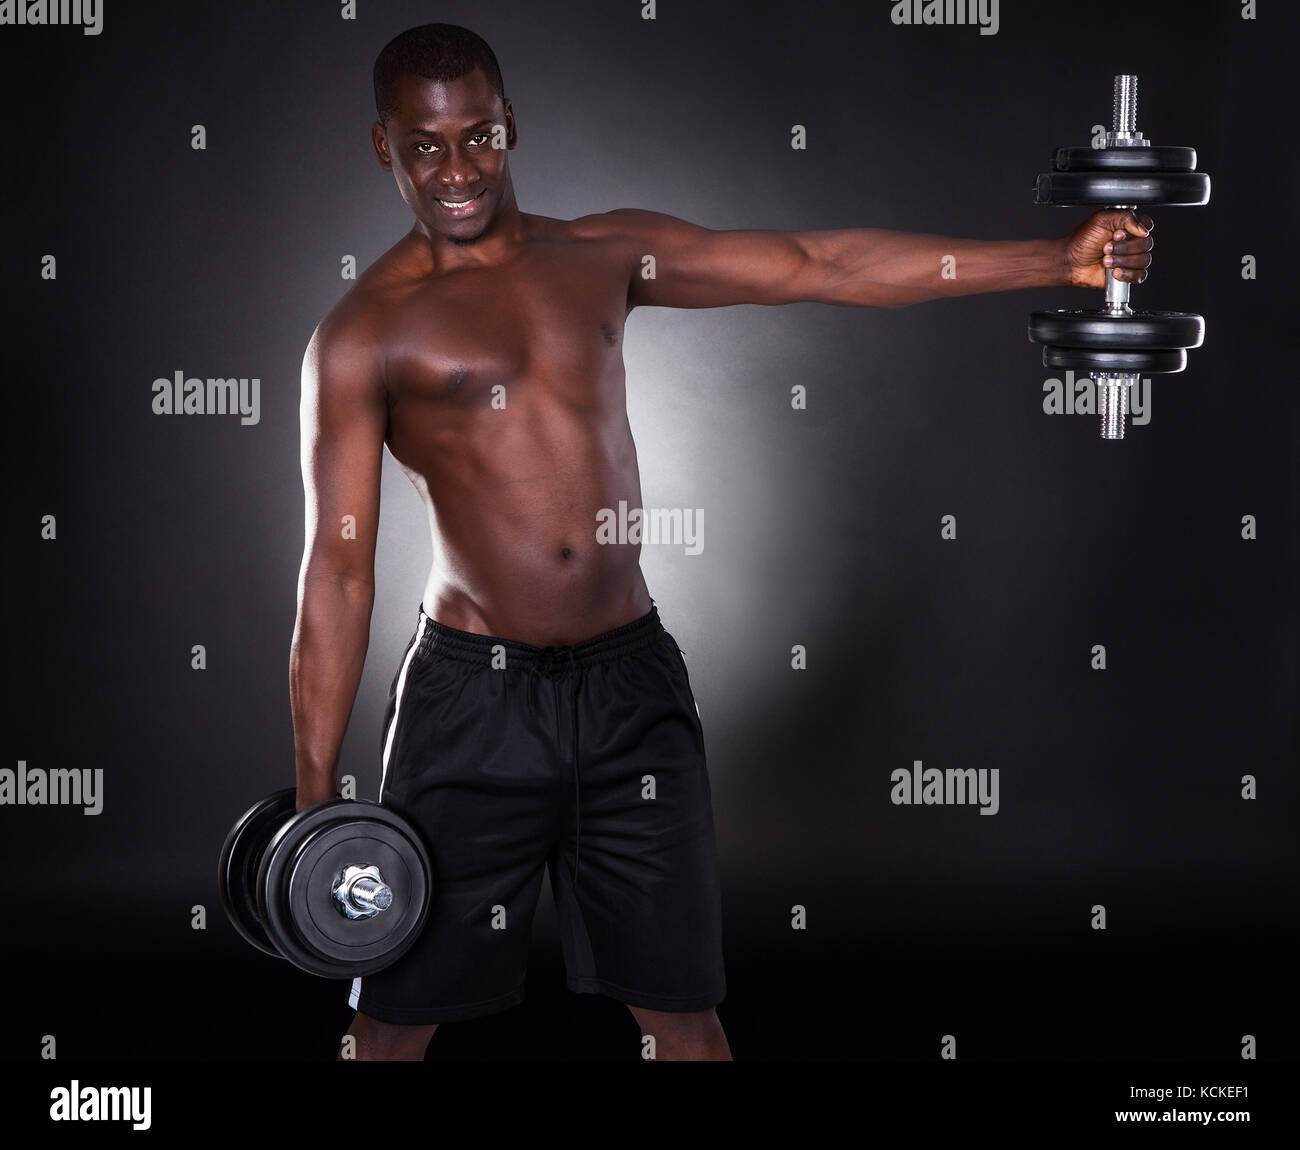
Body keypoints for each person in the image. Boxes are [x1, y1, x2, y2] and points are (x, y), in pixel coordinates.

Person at [289, 23, 1153, 1062]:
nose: (459, 169)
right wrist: (312, 803)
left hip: (628, 689)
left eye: (479, 136)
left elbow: (815, 264)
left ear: (510, 123)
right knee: (388, 1023)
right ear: (385, 147)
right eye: (427, 147)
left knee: (684, 1018)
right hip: (471, 706)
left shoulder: (601, 256)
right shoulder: (362, 334)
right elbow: (337, 571)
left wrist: (1053, 260)